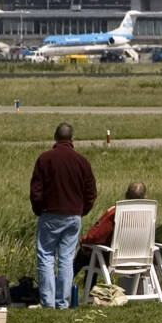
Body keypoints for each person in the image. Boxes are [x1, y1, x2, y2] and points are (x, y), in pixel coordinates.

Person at [31, 123, 97, 309]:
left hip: (50, 214)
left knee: (46, 256)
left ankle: (48, 301)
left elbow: (36, 191)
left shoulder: (45, 159)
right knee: (66, 258)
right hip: (73, 216)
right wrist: (81, 210)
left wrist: (39, 209)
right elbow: (91, 191)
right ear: (72, 139)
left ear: (55, 137)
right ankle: (62, 301)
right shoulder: (82, 161)